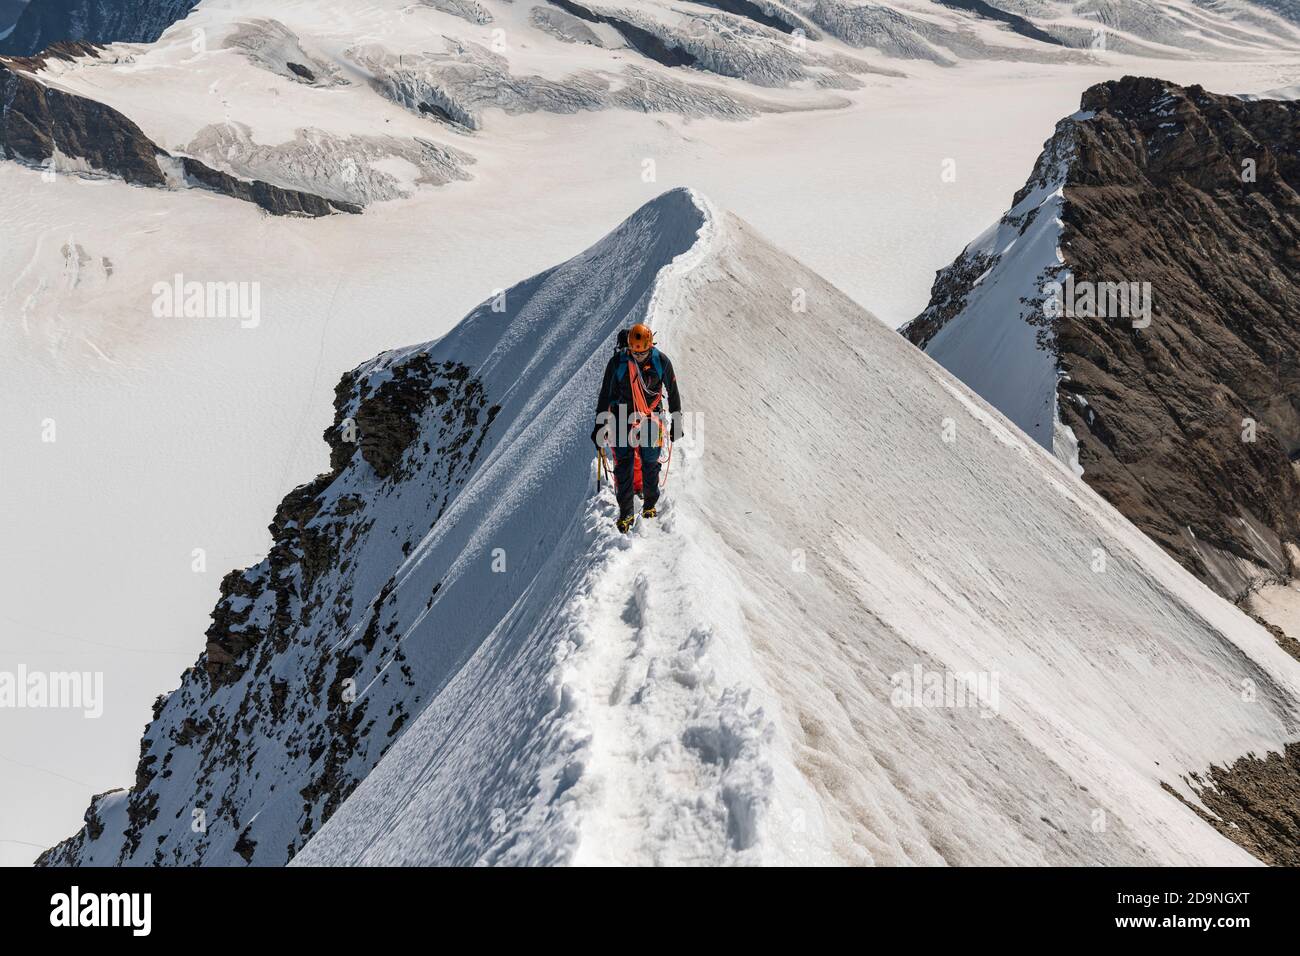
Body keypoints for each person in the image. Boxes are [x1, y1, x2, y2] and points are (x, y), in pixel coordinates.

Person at [591, 323, 683, 533]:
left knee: (650, 462)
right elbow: (605, 395)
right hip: (621, 417)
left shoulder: (661, 361)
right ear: (629, 348)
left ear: (650, 346)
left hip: (650, 416)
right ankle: (626, 513)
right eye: (635, 353)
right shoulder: (618, 364)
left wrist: (677, 420)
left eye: (642, 353)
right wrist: (599, 425)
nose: (639, 357)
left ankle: (650, 505)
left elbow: (673, 390)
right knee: (624, 465)